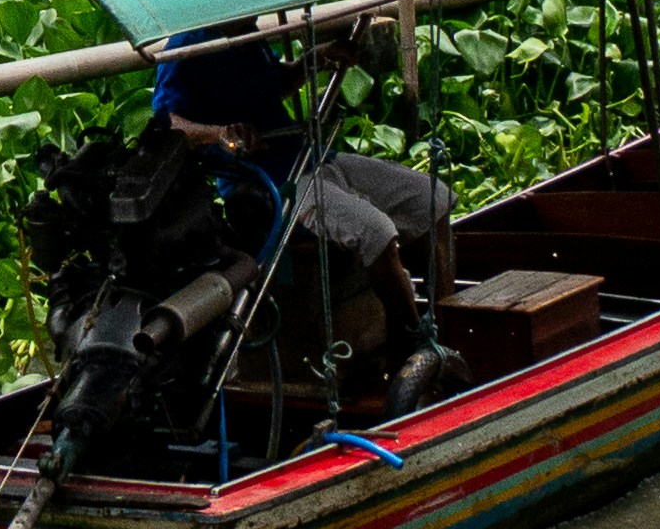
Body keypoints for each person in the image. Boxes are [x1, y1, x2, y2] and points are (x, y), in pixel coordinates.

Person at [152, 21, 451, 352]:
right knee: (375, 230)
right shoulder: (188, 44)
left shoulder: (249, 35)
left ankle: (448, 325)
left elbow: (274, 85)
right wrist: (219, 133)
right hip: (268, 185)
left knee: (431, 196)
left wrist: (316, 59)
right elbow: (167, 122)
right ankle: (411, 346)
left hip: (312, 156)